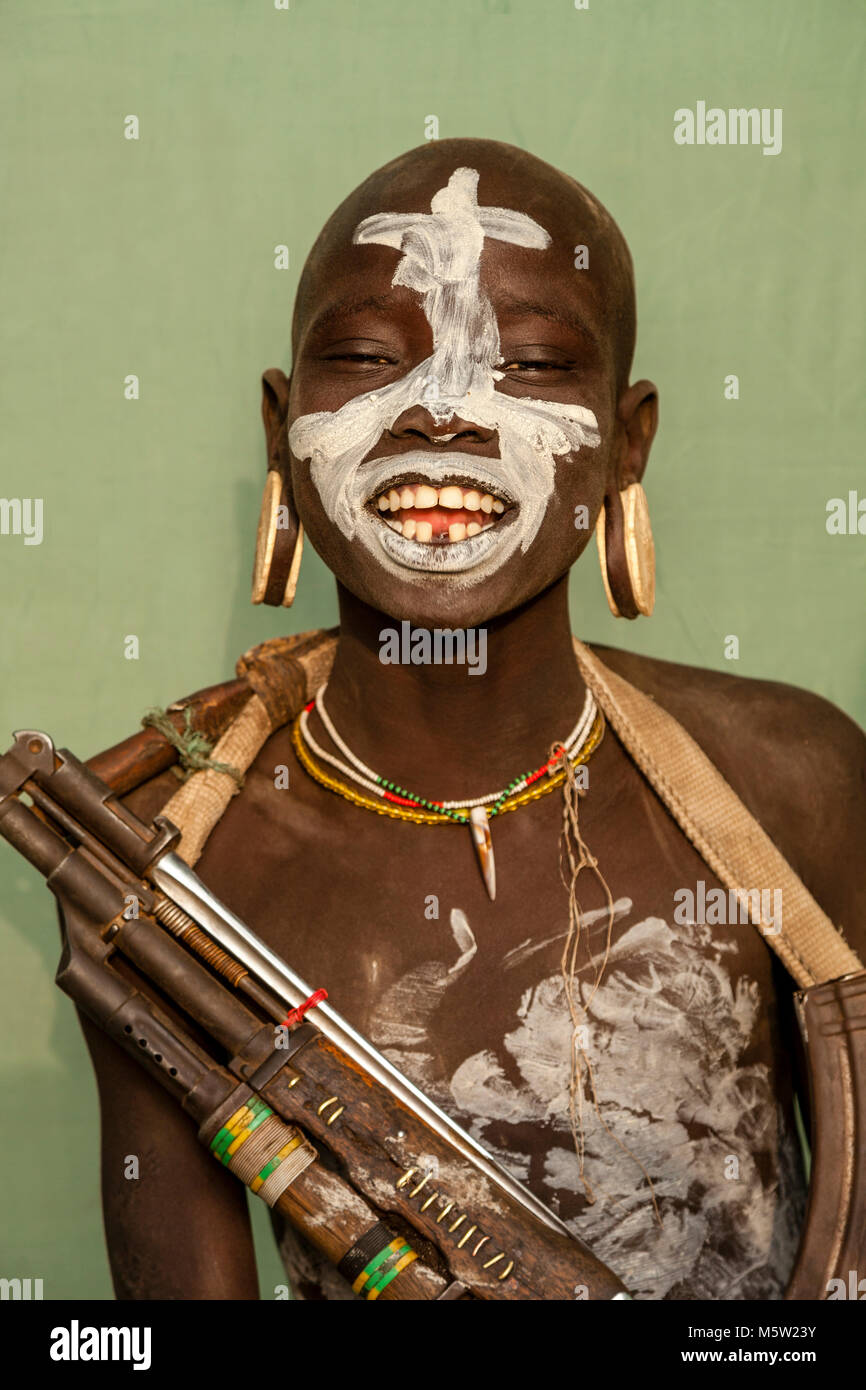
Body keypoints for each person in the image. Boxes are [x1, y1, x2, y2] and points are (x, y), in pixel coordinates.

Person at [77, 138, 866, 1300]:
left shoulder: (790, 781)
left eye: (535, 363)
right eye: (364, 356)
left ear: (626, 441)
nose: (441, 408)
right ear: (279, 434)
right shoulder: (173, 857)